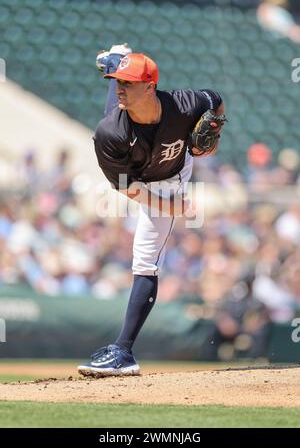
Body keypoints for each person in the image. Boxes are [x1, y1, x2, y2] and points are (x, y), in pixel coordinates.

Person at [78, 44, 225, 377]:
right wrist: (170, 205)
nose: (120, 88)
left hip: (171, 172)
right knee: (113, 122)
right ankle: (117, 58)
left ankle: (123, 351)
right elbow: (126, 188)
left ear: (150, 86)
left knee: (144, 259)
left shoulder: (183, 104)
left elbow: (214, 100)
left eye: (127, 82)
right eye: (117, 81)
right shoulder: (108, 134)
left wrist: (214, 135)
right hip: (137, 178)